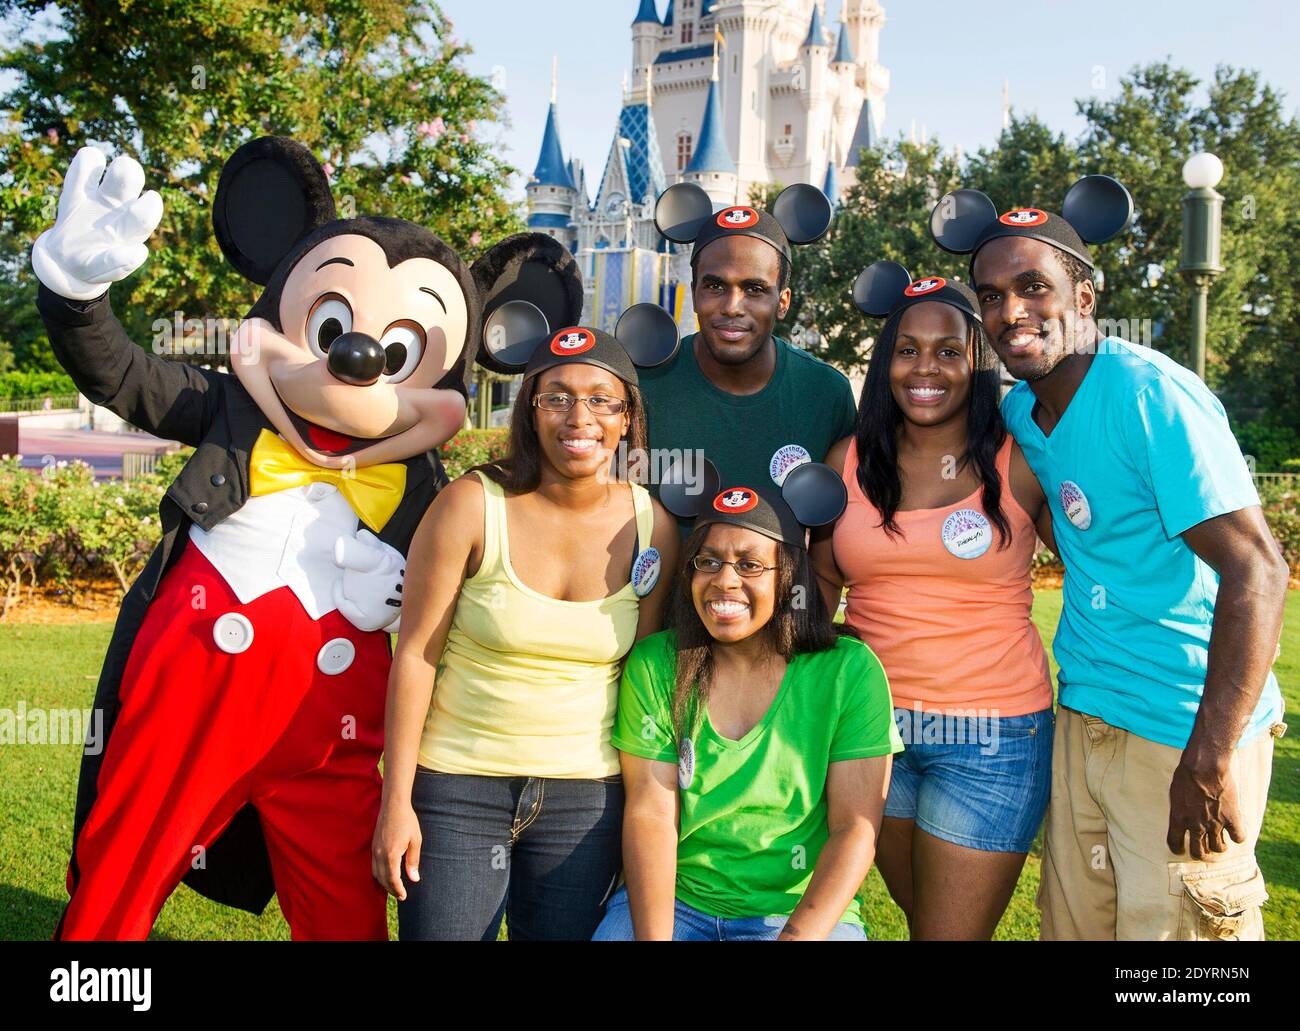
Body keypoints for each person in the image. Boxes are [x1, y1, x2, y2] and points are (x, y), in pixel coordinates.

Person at [931, 175, 1289, 940]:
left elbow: (1259, 568)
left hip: (1178, 724)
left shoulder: (1150, 394)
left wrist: (1211, 754)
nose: (1010, 311)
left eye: (1034, 286)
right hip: (1087, 712)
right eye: (991, 296)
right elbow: (1073, 529)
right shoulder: (1025, 408)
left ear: (1085, 297)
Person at [372, 315, 680, 941]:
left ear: (627, 419)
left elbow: (644, 677)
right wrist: (395, 801)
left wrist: (643, 814)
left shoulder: (654, 527)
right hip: (457, 788)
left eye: (601, 401)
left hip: (587, 801)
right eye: (557, 398)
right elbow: (416, 657)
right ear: (531, 411)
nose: (579, 418)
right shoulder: (470, 504)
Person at [810, 263, 1056, 940]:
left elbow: (1101, 555)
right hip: (871, 732)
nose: (927, 367)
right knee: (929, 923)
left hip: (991, 734)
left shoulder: (1019, 462)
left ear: (977, 362)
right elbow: (821, 581)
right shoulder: (849, 461)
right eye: (908, 349)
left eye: (949, 350)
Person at [593, 461, 902, 940]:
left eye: (750, 565)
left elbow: (854, 830)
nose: (725, 580)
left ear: (790, 578)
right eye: (708, 561)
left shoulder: (848, 670)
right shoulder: (656, 663)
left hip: (796, 910)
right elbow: (651, 816)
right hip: (679, 900)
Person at [643, 182, 855, 527]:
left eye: (754, 289)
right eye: (715, 287)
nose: (732, 307)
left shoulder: (826, 393)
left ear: (782, 302)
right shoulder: (643, 384)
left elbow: (834, 543)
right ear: (694, 294)